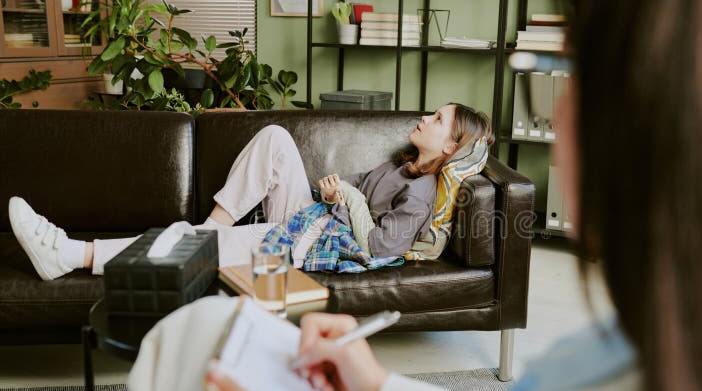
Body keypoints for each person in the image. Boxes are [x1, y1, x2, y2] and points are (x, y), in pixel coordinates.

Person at [107, 0, 702, 391]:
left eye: (579, 72)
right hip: (310, 228)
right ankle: (181, 240)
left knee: (180, 358)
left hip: (316, 245)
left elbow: (379, 244)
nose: (559, 104)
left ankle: (123, 251)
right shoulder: (648, 356)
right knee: (199, 331)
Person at [8, 103, 492, 279]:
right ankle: (211, 227)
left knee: (197, 248)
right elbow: (352, 196)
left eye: (438, 120)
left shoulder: (424, 191)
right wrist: (332, 192)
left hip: (314, 243)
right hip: (315, 219)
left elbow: (382, 245)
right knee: (277, 139)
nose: (426, 118)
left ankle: (73, 254)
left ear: (451, 145)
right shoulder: (401, 168)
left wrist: (349, 199)